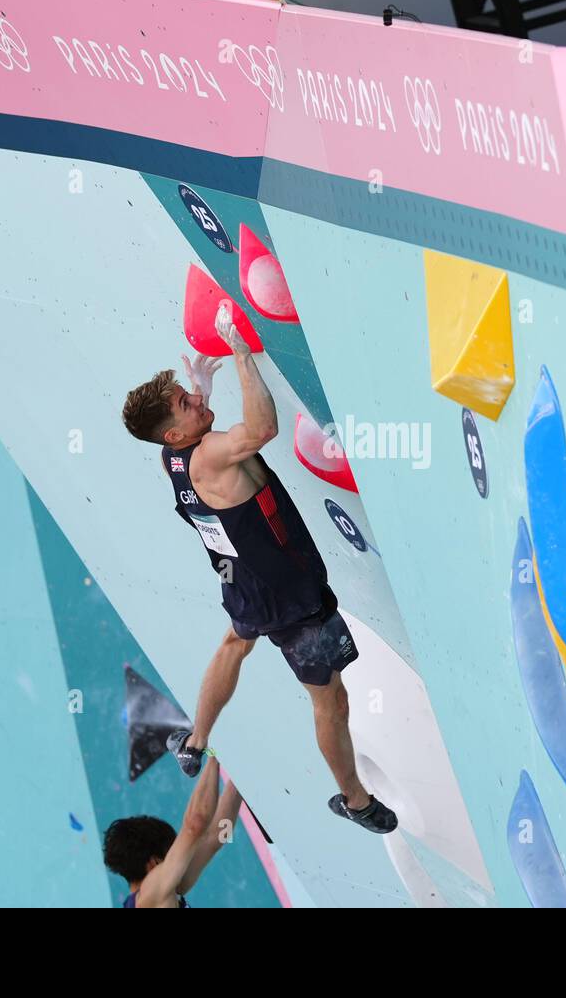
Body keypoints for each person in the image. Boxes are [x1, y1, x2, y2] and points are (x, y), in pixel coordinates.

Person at [120, 306, 396, 833]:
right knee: (329, 699)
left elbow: (210, 442)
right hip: (288, 594)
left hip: (240, 581)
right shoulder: (206, 458)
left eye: (189, 392)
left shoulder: (172, 460)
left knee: (235, 643)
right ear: (175, 434)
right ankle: (356, 800)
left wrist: (202, 393)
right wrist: (241, 352)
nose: (197, 399)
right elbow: (262, 428)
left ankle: (194, 741)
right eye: (186, 402)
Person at [103, 755, 242, 908]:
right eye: (170, 854)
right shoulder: (152, 892)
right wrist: (214, 755)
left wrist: (240, 780)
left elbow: (218, 837)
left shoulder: (167, 892)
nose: (178, 856)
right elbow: (196, 823)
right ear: (154, 863)